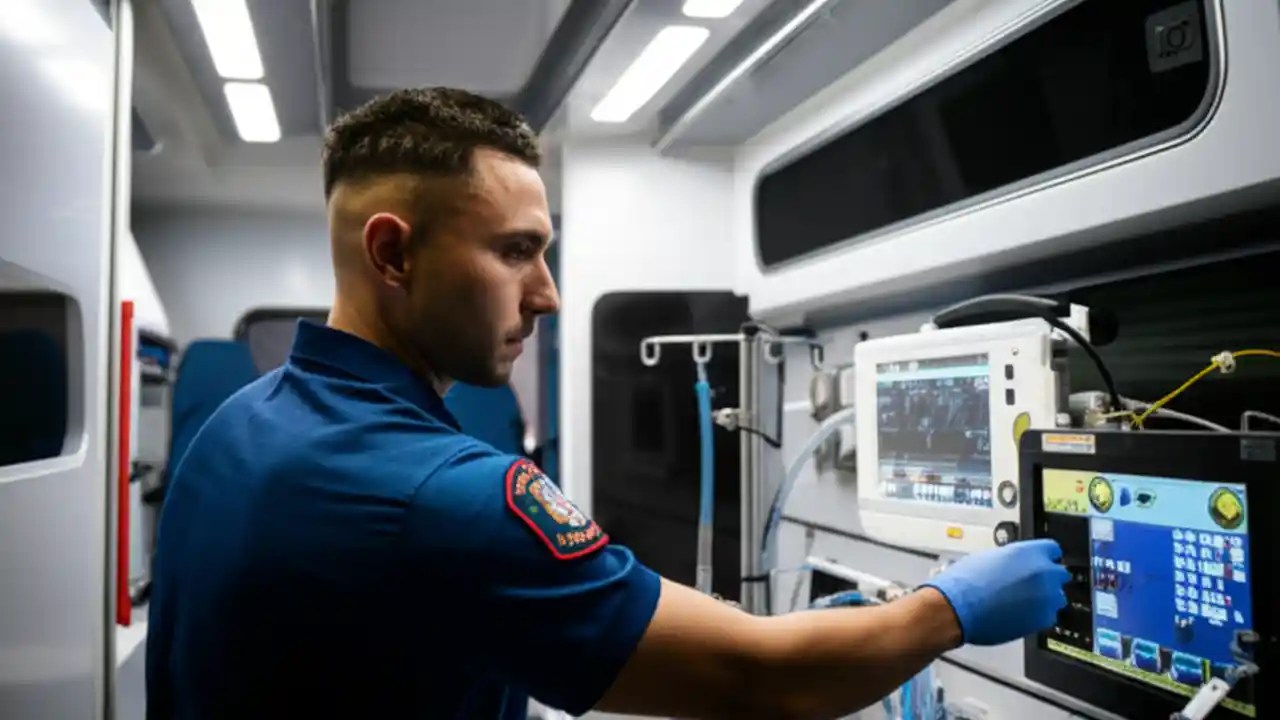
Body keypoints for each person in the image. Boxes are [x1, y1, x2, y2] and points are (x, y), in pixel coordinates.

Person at [145, 87, 1070, 720]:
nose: (546, 295)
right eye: (515, 252)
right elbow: (761, 682)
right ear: (393, 255)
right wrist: (951, 606)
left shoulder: (237, 427)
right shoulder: (444, 494)